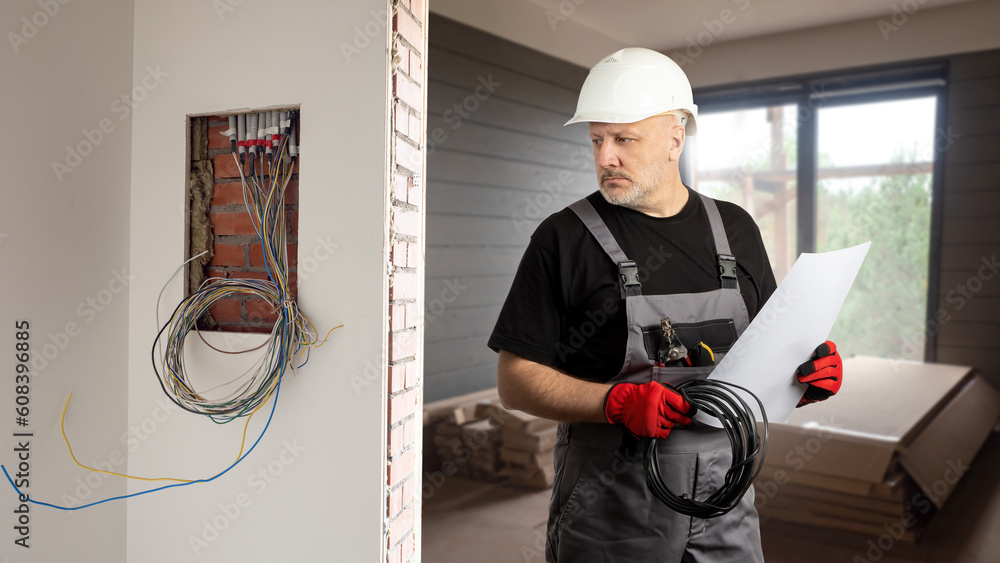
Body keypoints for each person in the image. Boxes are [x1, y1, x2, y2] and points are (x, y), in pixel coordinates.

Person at [488, 47, 843, 563]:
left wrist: (803, 378)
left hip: (726, 499)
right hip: (610, 506)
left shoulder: (736, 230)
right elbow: (514, 380)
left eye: (624, 139)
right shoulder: (564, 238)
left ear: (676, 138)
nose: (605, 158)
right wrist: (614, 403)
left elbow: (766, 355)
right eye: (596, 140)